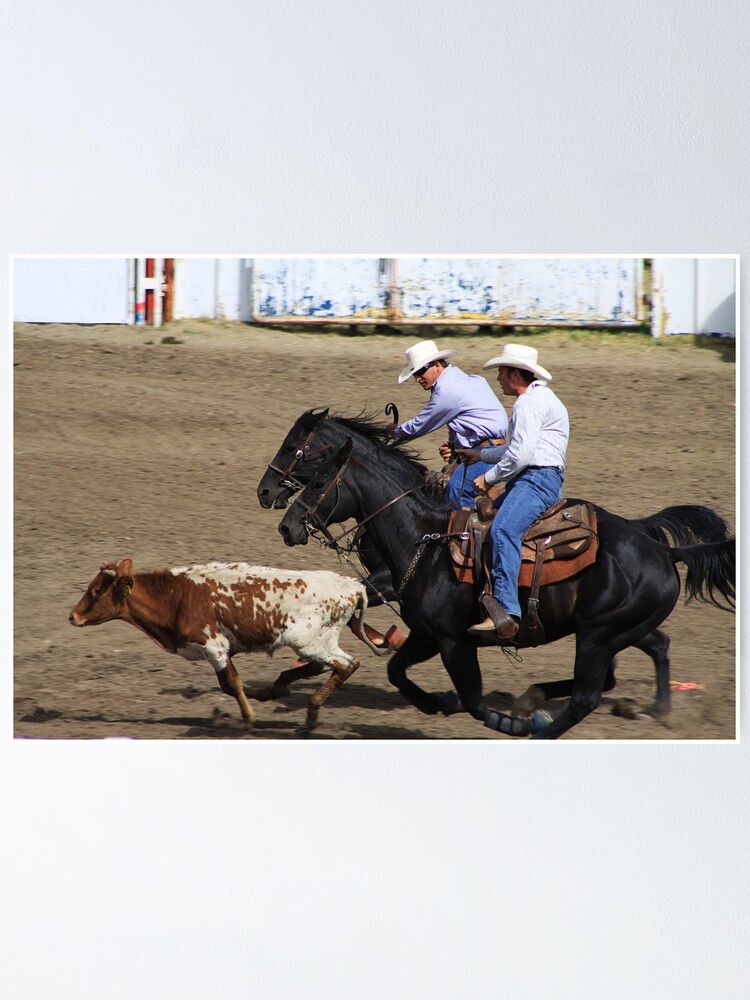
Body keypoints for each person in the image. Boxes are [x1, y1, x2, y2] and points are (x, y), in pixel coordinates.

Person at [458, 343, 569, 640]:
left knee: (503, 530)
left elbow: (519, 457)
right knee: (490, 525)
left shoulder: (528, 404)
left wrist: (489, 479)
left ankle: (507, 611)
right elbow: (516, 449)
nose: (498, 379)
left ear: (515, 373)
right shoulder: (539, 399)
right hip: (536, 477)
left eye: (501, 373)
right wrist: (480, 456)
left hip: (536, 480)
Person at [386, 340, 508, 510]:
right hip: (486, 447)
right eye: (415, 374)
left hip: (485, 451)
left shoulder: (447, 391)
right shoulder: (467, 380)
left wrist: (395, 432)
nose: (418, 378)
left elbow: (422, 423)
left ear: (437, 365)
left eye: (421, 371)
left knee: (456, 488)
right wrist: (454, 445)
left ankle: (460, 536)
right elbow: (465, 419)